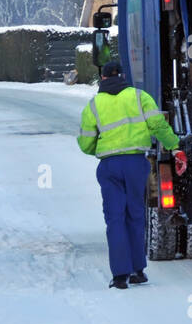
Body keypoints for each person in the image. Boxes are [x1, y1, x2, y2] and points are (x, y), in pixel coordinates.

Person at [77, 61, 185, 289]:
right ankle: (138, 271)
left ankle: (119, 276)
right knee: (135, 214)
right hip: (136, 163)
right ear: (123, 76)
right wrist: (174, 147)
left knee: (115, 218)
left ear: (103, 78)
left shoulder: (94, 105)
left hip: (110, 166)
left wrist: (100, 146)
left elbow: (86, 143)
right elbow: (158, 125)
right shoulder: (140, 96)